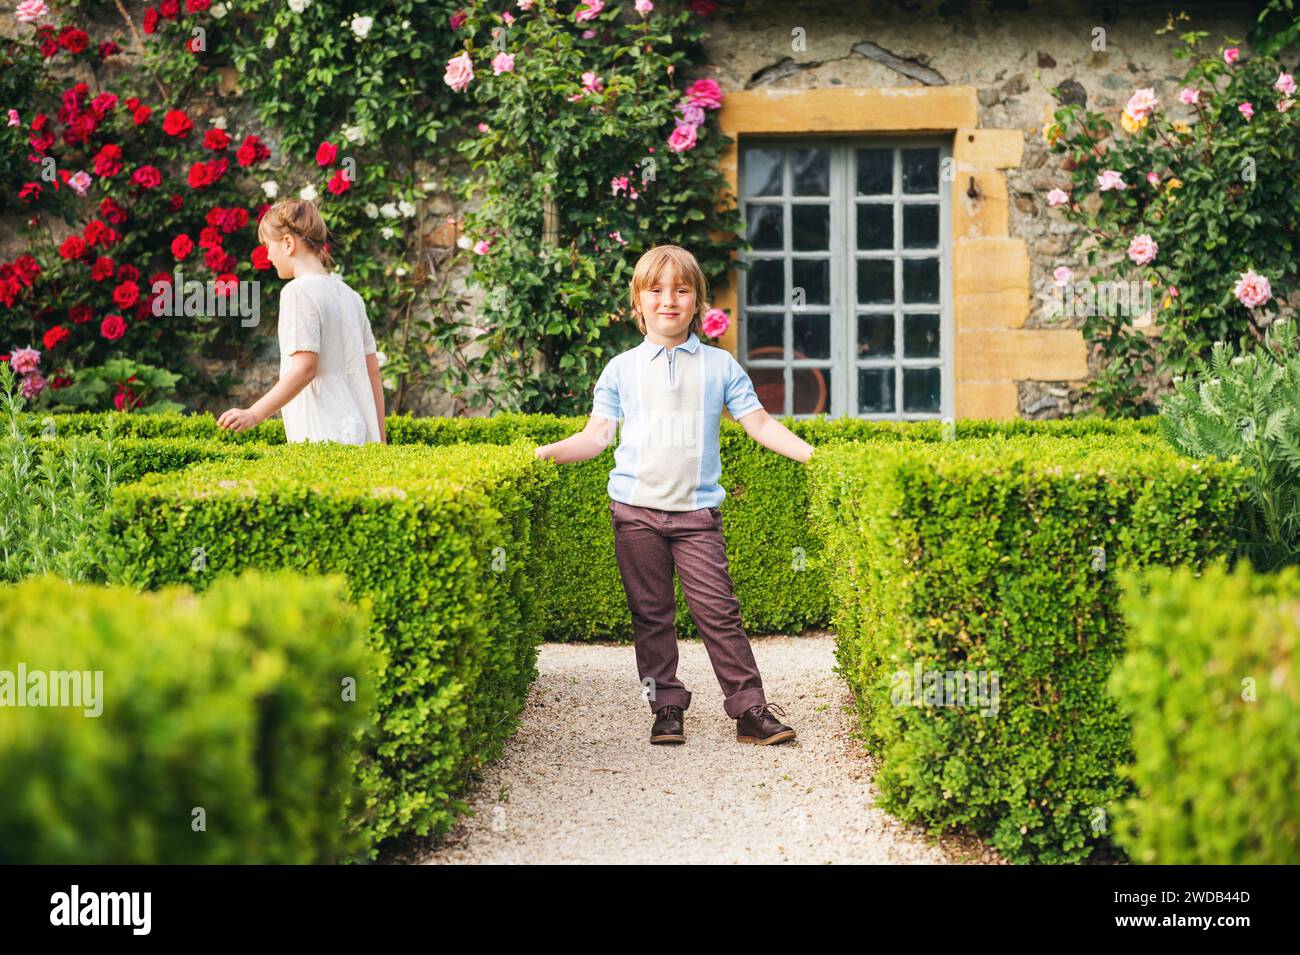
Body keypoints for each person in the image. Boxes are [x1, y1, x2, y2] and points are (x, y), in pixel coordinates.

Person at [535, 244, 816, 746]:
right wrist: (546, 453)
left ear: (697, 302)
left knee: (719, 613)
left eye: (681, 290)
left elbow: (760, 424)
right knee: (651, 615)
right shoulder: (621, 369)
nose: (669, 300)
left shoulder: (720, 366)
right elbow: (597, 436)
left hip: (696, 517)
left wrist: (815, 457)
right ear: (638, 303)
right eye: (656, 290)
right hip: (634, 514)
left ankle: (750, 710)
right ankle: (666, 706)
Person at [217, 198, 386, 444]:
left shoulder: (298, 292)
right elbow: (373, 373)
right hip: (358, 432)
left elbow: (305, 369)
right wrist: (380, 439)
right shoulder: (351, 296)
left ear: (287, 243)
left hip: (321, 432)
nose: (268, 256)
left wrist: (253, 414)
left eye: (267, 246)